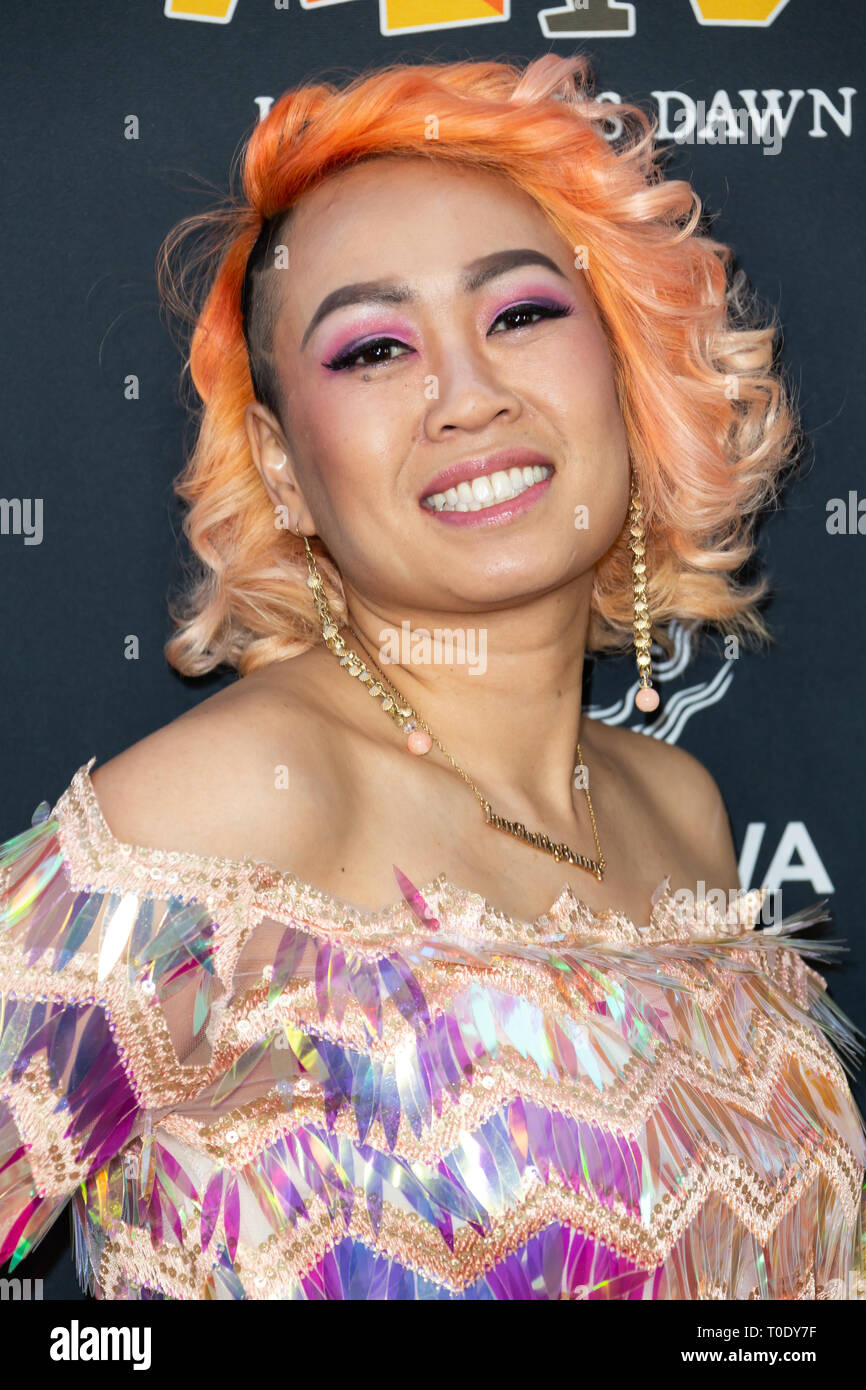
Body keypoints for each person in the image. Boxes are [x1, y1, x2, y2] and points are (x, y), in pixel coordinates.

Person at [1, 53, 863, 1301]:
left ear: (626, 371)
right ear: (283, 467)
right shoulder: (227, 806)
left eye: (518, 315)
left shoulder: (677, 807)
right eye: (371, 349)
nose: (465, 396)